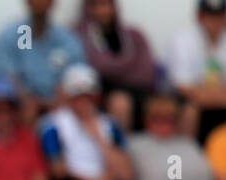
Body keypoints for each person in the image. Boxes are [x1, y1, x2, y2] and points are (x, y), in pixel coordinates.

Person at [38, 64, 134, 180]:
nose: (83, 101)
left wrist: (98, 138)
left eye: (88, 96)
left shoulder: (109, 125)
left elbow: (126, 176)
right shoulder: (53, 125)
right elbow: (59, 173)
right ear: (68, 96)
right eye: (78, 95)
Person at [0, 0, 85, 117]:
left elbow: (78, 72)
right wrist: (24, 97)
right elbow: (3, 74)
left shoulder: (66, 39)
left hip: (60, 107)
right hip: (21, 106)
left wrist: (62, 94)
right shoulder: (10, 36)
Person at [74, 0, 158, 131]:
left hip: (138, 91)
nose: (101, 11)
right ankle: (118, 149)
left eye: (105, 4)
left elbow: (147, 74)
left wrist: (112, 73)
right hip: (100, 94)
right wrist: (128, 69)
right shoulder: (79, 35)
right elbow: (93, 68)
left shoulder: (135, 36)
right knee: (120, 101)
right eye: (95, 5)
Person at [166, 0, 226, 141]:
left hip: (216, 96)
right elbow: (182, 86)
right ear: (199, 17)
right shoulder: (182, 39)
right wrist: (213, 96)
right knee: (190, 109)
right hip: (189, 98)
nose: (215, 21)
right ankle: (186, 155)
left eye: (219, 16)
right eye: (210, 16)